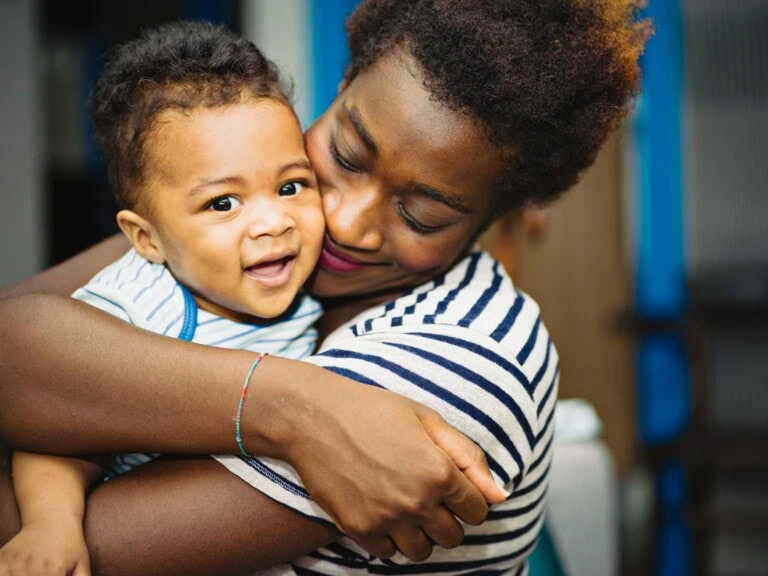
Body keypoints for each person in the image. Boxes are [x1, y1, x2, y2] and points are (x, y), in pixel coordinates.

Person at [0, 1, 649, 575]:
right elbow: (16, 335)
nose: (344, 221)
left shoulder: (468, 355)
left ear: (498, 214)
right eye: (344, 152)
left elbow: (88, 549)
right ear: (341, 88)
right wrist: (297, 408)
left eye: (422, 213)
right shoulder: (264, 229)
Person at [0, 20, 333, 576]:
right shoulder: (136, 306)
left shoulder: (313, 285)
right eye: (224, 204)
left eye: (290, 186)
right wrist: (51, 526)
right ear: (147, 238)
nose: (273, 222)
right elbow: (58, 430)